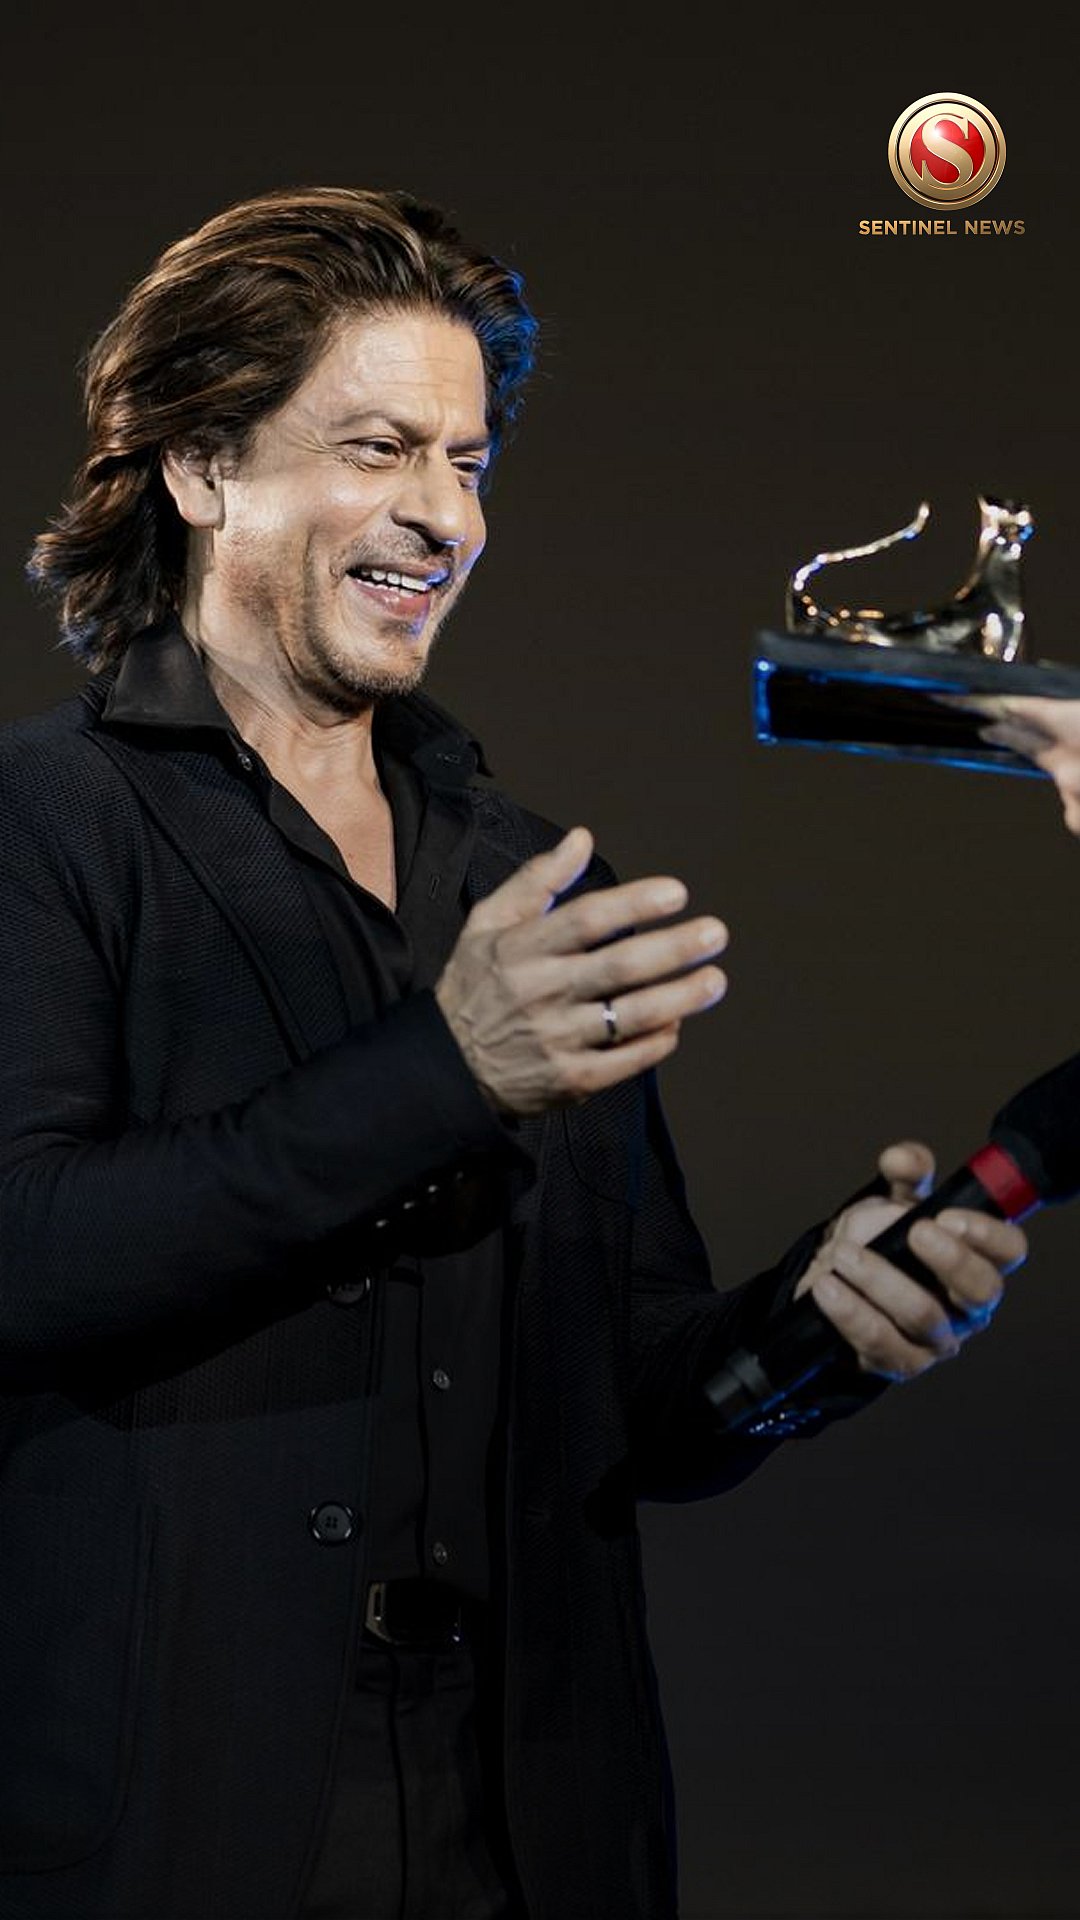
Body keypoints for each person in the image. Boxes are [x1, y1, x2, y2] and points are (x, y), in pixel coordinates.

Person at [0, 188, 1023, 1920]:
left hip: (534, 1830)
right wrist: (445, 1070)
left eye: (468, 464)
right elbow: (28, 1257)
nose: (444, 515)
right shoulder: (44, 822)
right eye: (379, 448)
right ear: (198, 467)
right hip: (179, 1829)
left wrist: (813, 1329)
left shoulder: (531, 877)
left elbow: (637, 1400)